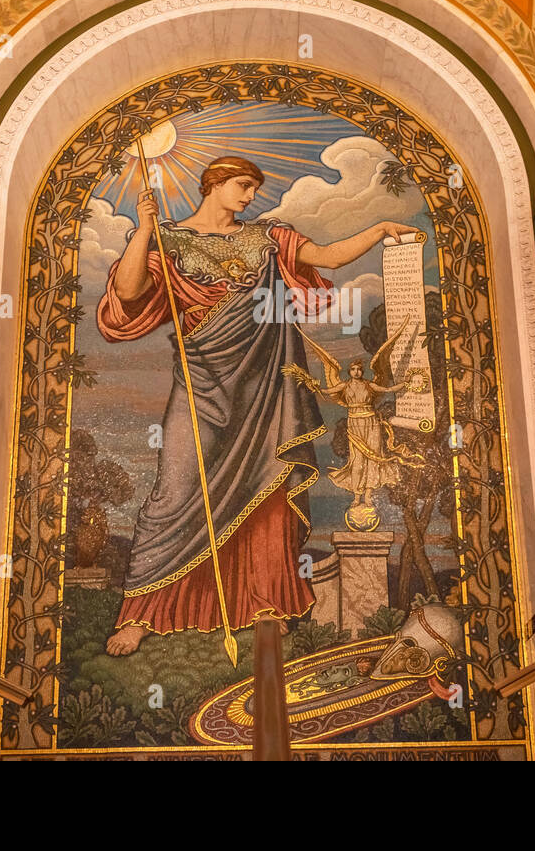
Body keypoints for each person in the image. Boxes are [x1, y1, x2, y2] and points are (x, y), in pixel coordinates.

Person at [96, 155, 417, 656]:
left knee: (267, 489)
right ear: (214, 183)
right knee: (175, 488)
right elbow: (129, 290)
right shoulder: (170, 241)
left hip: (263, 385)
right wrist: (143, 230)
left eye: (253, 188)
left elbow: (329, 257)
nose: (249, 197)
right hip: (201, 382)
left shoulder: (269, 239)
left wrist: (377, 229)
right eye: (243, 186)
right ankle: (142, 611)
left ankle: (266, 603)